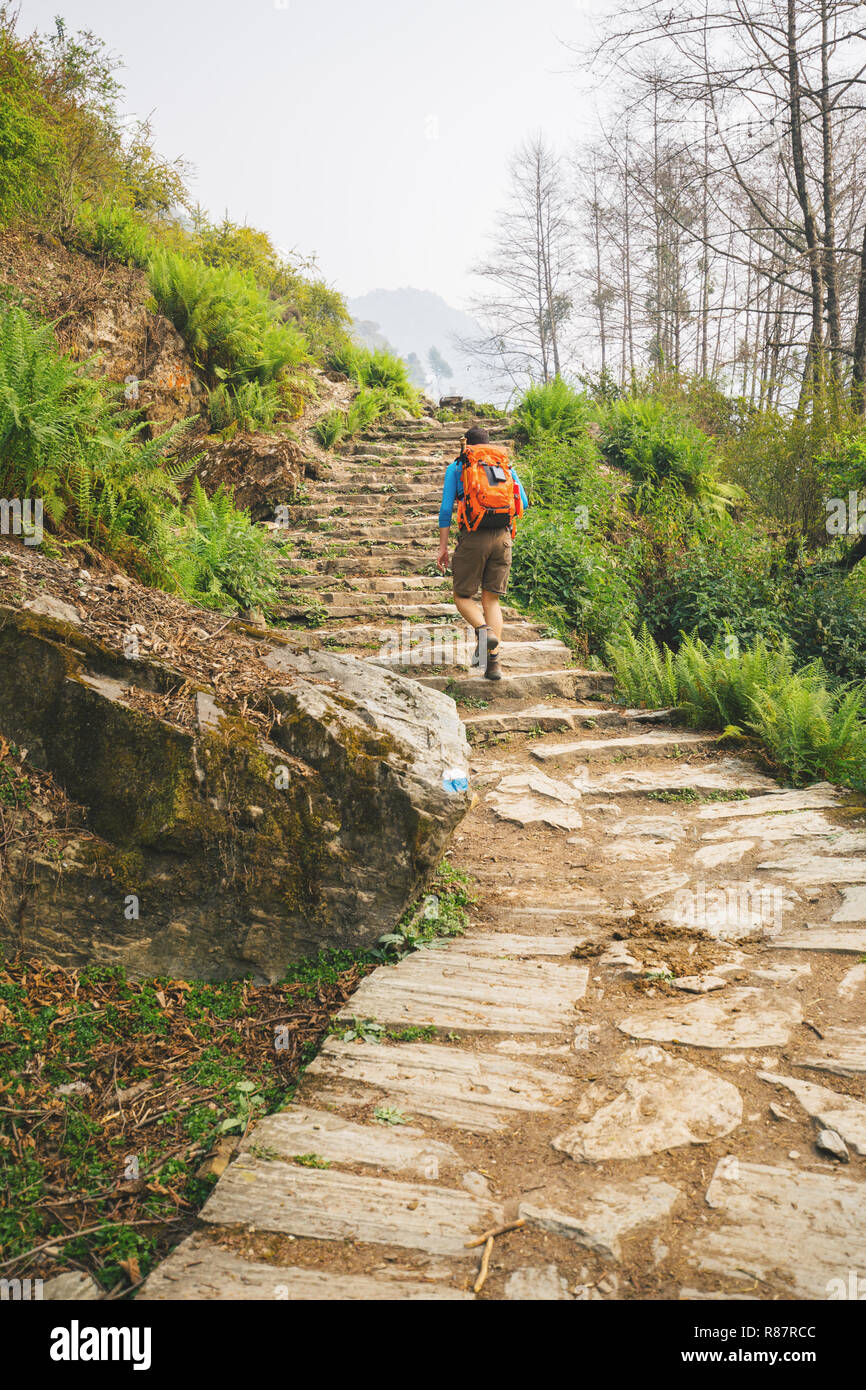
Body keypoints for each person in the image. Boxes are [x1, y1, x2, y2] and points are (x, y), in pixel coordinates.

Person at [435, 425, 528, 681]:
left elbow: (445, 510)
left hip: (473, 536)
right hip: (503, 537)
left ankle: (483, 631)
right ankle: (494, 664)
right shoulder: (504, 466)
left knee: (462, 596)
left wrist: (443, 548)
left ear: (466, 444)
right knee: (492, 601)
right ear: (488, 444)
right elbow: (525, 502)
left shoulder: (458, 466)